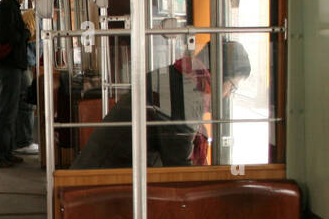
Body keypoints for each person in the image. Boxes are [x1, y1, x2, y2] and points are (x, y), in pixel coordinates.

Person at [71, 41, 252, 170]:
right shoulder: (187, 93)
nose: (228, 95)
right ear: (220, 75)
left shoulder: (180, 76)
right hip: (104, 178)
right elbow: (178, 164)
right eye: (232, 87)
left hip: (109, 168)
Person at [0, 0, 34, 168]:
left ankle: (6, 151)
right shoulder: (8, 8)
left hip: (9, 65)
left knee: (10, 110)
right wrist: (26, 33)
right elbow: (8, 36)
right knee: (5, 111)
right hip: (8, 66)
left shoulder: (8, 7)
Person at [14, 7, 39, 156]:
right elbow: (32, 42)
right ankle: (24, 141)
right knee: (26, 103)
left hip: (25, 63)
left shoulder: (29, 15)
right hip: (25, 63)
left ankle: (23, 139)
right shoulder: (33, 18)